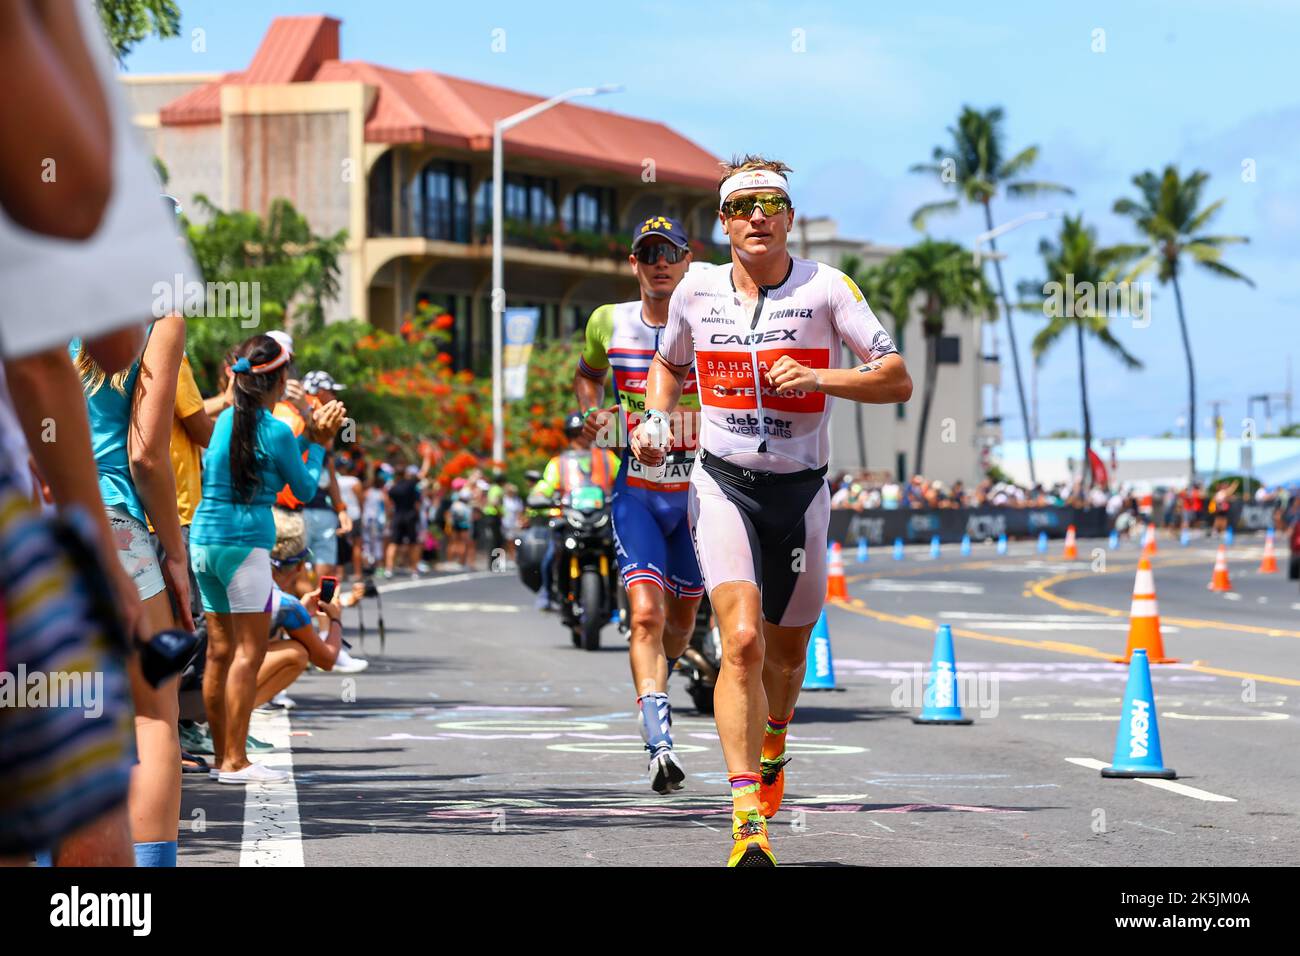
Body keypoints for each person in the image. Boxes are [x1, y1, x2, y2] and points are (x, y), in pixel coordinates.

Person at [630, 155, 912, 866]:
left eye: (772, 203)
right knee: (744, 643)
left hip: (801, 491)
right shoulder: (694, 292)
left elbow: (897, 378)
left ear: (788, 216)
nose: (759, 215)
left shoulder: (826, 288)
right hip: (723, 483)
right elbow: (668, 365)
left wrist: (819, 375)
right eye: (743, 204)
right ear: (723, 221)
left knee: (787, 659)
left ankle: (776, 737)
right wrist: (657, 422)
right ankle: (745, 816)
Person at [573, 214, 704, 793]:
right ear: (634, 263)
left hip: (703, 499)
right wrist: (593, 421)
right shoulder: (609, 321)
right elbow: (587, 377)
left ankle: (661, 679)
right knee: (645, 616)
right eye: (647, 253)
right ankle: (659, 745)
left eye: (668, 253)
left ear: (685, 260)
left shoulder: (709, 320)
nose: (658, 263)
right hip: (638, 494)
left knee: (681, 623)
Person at [189, 334, 345, 784]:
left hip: (204, 542)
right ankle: (235, 761)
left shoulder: (222, 423)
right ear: (278, 379)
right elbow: (304, 489)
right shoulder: (276, 430)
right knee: (247, 653)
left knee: (218, 652)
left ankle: (224, 757)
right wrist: (318, 442)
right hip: (244, 547)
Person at [73, 312, 193, 867]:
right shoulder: (157, 318)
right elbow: (146, 455)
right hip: (116, 527)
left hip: (25, 522)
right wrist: (174, 552)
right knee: (150, 713)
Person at [529, 414, 621, 611]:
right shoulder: (558, 463)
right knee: (552, 555)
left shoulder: (608, 459)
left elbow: (625, 480)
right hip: (569, 519)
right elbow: (544, 487)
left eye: (584, 432)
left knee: (624, 556)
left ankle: (621, 599)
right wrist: (538, 495)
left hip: (602, 517)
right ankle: (547, 593)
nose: (580, 438)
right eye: (575, 434)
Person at [385, 464, 424, 577]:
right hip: (410, 515)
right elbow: (418, 502)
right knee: (413, 543)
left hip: (397, 516)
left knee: (393, 543)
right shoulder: (412, 485)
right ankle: (414, 569)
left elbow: (389, 504)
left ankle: (389, 569)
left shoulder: (393, 488)